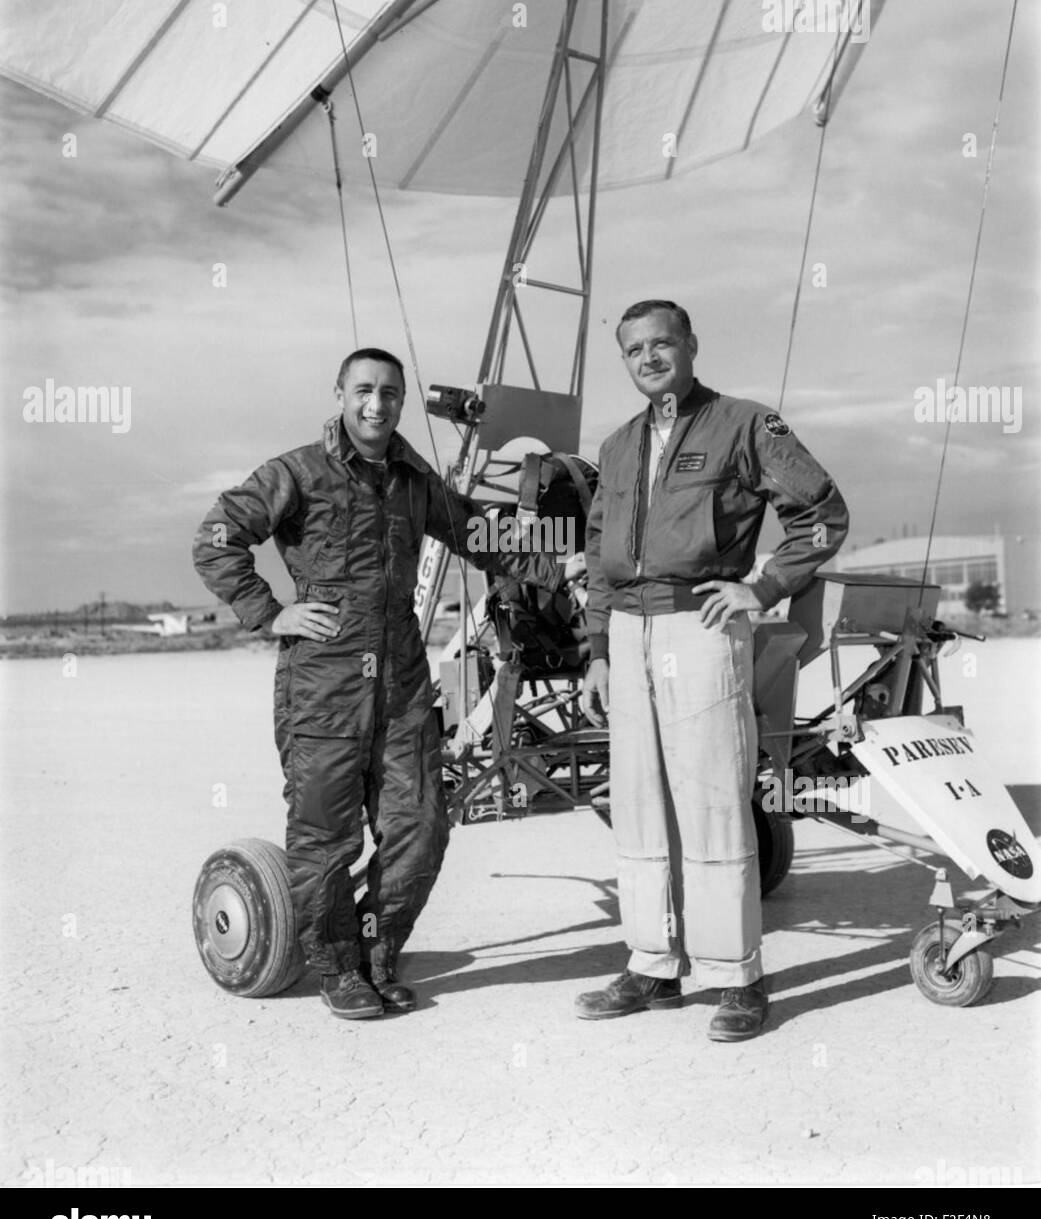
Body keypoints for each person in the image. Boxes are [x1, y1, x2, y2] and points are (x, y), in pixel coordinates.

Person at [193, 349, 570, 1021]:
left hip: (399, 683)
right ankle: (337, 967)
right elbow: (217, 539)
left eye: (390, 393)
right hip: (323, 683)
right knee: (324, 838)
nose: (377, 403)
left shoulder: (412, 481)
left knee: (422, 827)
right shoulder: (296, 473)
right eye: (363, 390)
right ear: (338, 394)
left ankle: (377, 952)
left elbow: (484, 537)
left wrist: (567, 566)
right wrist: (269, 610)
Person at [577, 300, 848, 1040]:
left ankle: (735, 977)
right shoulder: (616, 445)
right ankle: (651, 964)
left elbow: (821, 512)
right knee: (637, 804)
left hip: (698, 628)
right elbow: (602, 553)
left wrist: (759, 588)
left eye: (661, 343)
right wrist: (599, 651)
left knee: (711, 802)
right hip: (628, 635)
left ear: (690, 344)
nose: (648, 358)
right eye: (633, 349)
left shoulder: (745, 424)